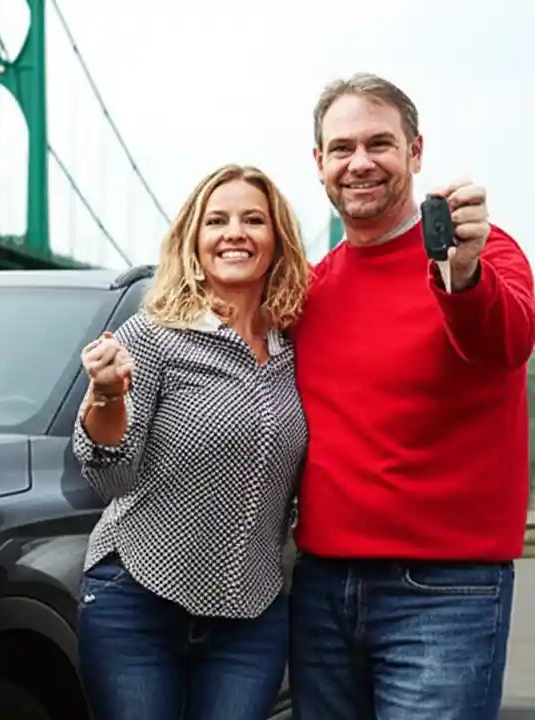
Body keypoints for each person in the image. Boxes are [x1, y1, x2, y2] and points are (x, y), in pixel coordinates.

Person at [289, 72, 535, 719]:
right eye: (342, 148)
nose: (360, 162)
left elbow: (504, 343)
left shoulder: (487, 252)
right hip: (321, 587)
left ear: (415, 152)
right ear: (319, 164)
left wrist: (462, 277)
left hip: (445, 590)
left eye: (380, 143)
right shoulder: (307, 288)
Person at [73, 163, 312, 719]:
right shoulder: (151, 335)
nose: (235, 232)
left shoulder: (295, 350)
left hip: (251, 616)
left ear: (276, 240)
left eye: (253, 220)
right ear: (194, 240)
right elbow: (110, 477)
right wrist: (106, 396)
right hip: (136, 600)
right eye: (217, 221)